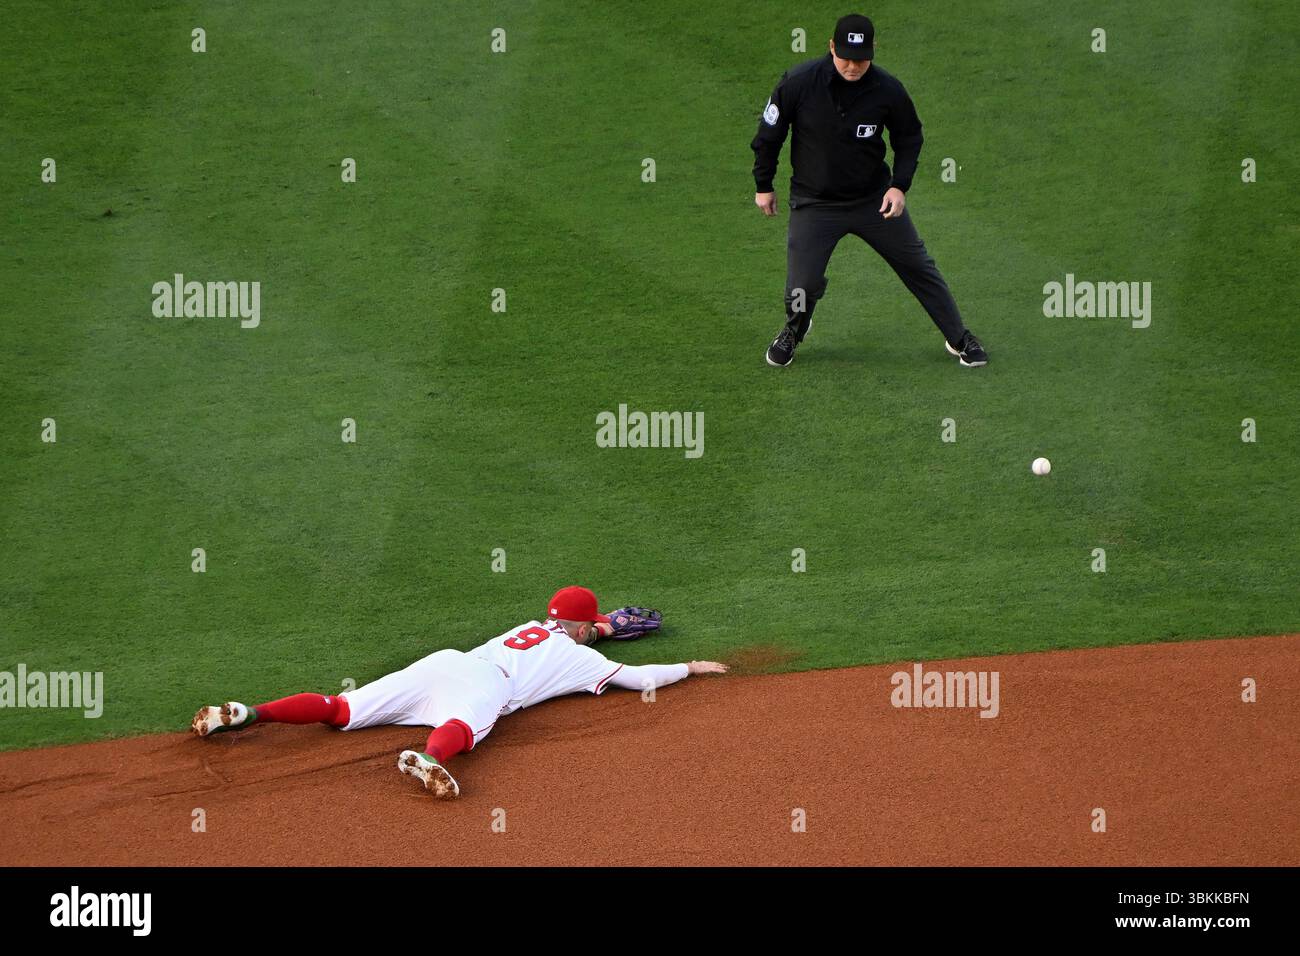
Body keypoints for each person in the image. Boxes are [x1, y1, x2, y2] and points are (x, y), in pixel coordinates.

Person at [191, 586, 727, 799]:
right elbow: (638, 679)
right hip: (488, 685)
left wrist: (600, 624)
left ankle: (247, 711)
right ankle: (428, 758)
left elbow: (572, 624)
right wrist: (690, 666)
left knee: (341, 707)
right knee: (466, 729)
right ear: (587, 627)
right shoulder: (584, 657)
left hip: (447, 662)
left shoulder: (537, 626)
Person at [751, 13, 989, 369]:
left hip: (873, 202)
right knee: (801, 286)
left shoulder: (887, 90)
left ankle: (958, 337)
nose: (852, 66)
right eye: (845, 56)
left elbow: (909, 137)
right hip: (815, 204)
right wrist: (763, 185)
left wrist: (899, 186)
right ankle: (794, 331)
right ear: (831, 47)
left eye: (861, 59)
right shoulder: (799, 83)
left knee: (918, 267)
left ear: (873, 51)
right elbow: (769, 135)